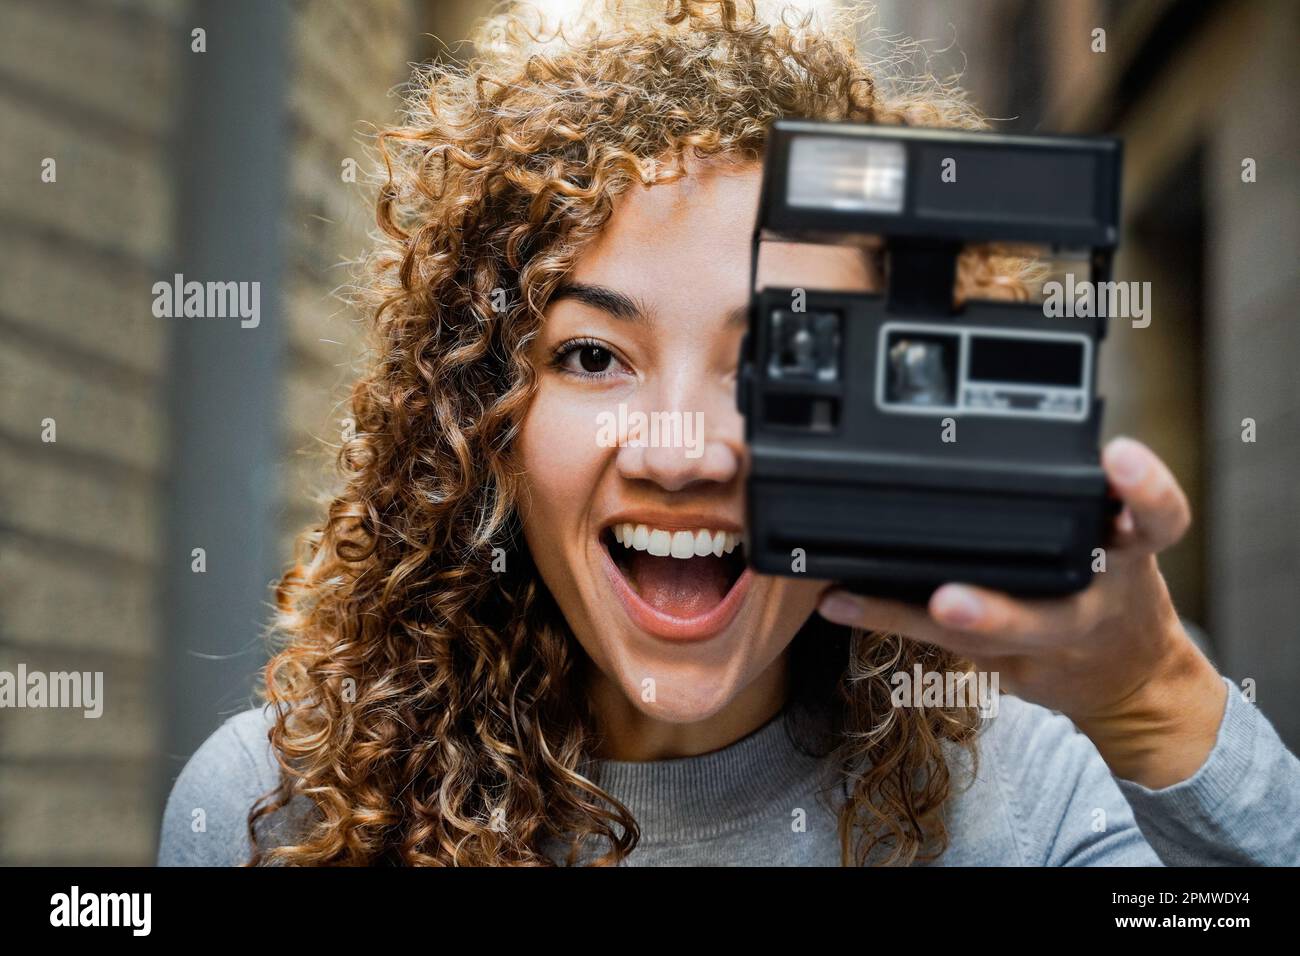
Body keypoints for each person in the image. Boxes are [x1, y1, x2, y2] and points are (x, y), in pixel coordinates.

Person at [158, 0, 1300, 867]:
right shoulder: (275, 806)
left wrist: (1153, 696)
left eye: (780, 361)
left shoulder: (1028, 797)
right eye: (593, 355)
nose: (684, 449)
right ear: (483, 423)